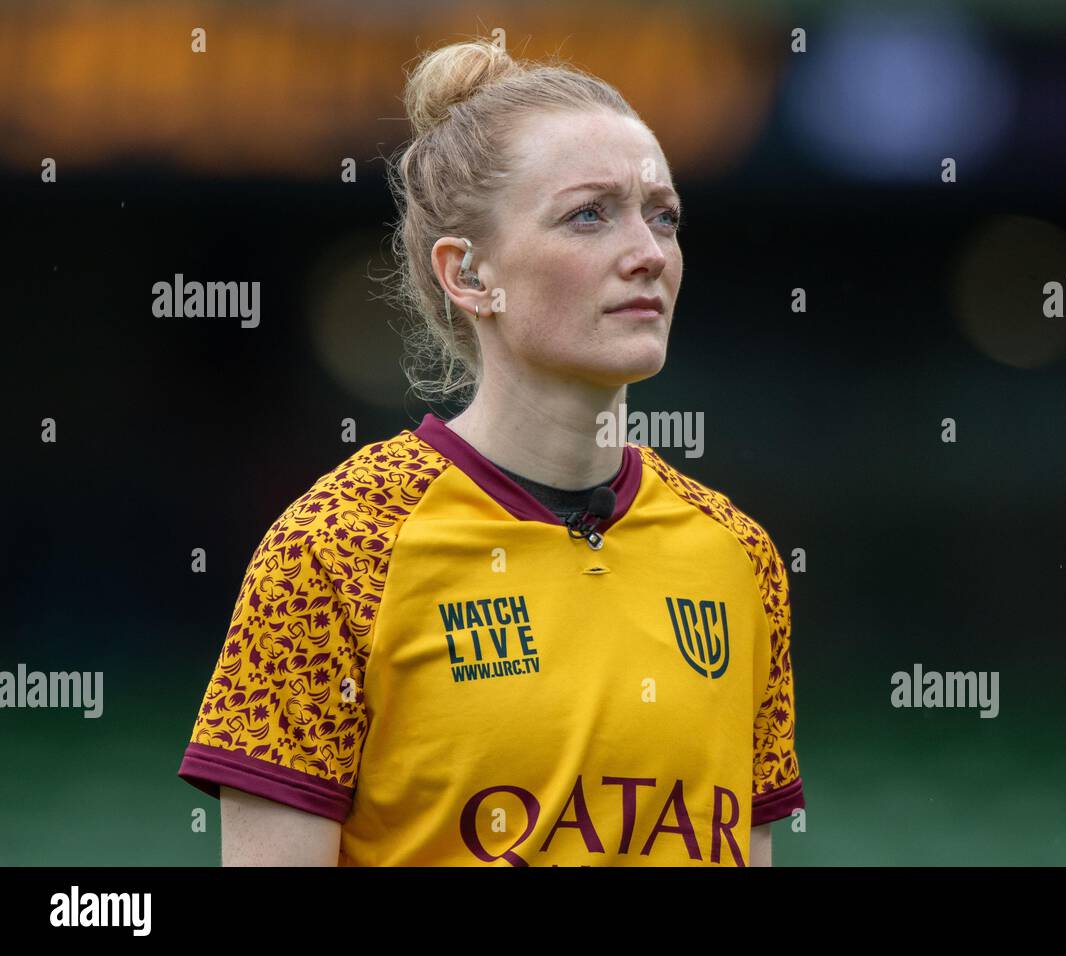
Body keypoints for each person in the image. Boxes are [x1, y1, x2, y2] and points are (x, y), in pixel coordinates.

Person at [176, 37, 805, 866]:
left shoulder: (740, 555)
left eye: (663, 215)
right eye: (590, 214)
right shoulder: (333, 545)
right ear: (468, 274)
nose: (649, 253)